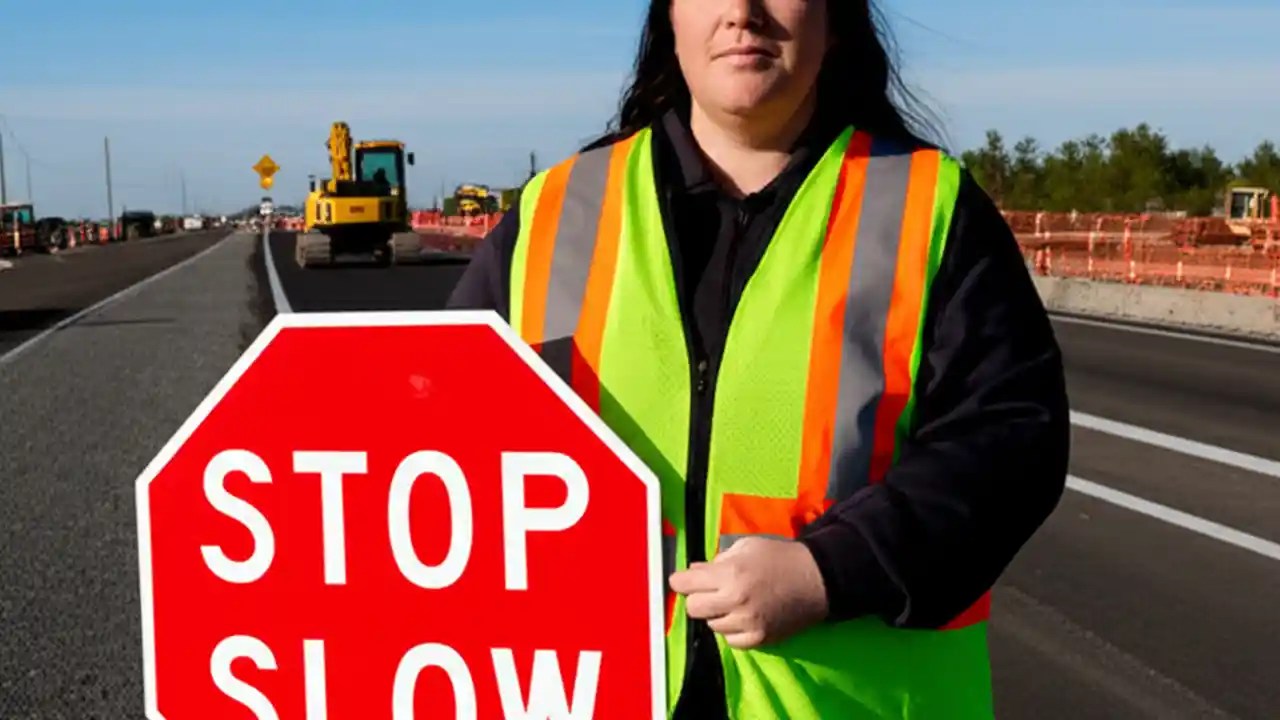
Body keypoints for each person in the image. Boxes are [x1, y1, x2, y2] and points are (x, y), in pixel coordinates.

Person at [447, 0, 1070, 717]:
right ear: (668, 23)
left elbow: (1008, 443)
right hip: (594, 690)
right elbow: (437, 433)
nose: (742, 12)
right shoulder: (553, 214)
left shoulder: (929, 206)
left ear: (834, 21)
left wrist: (832, 572)